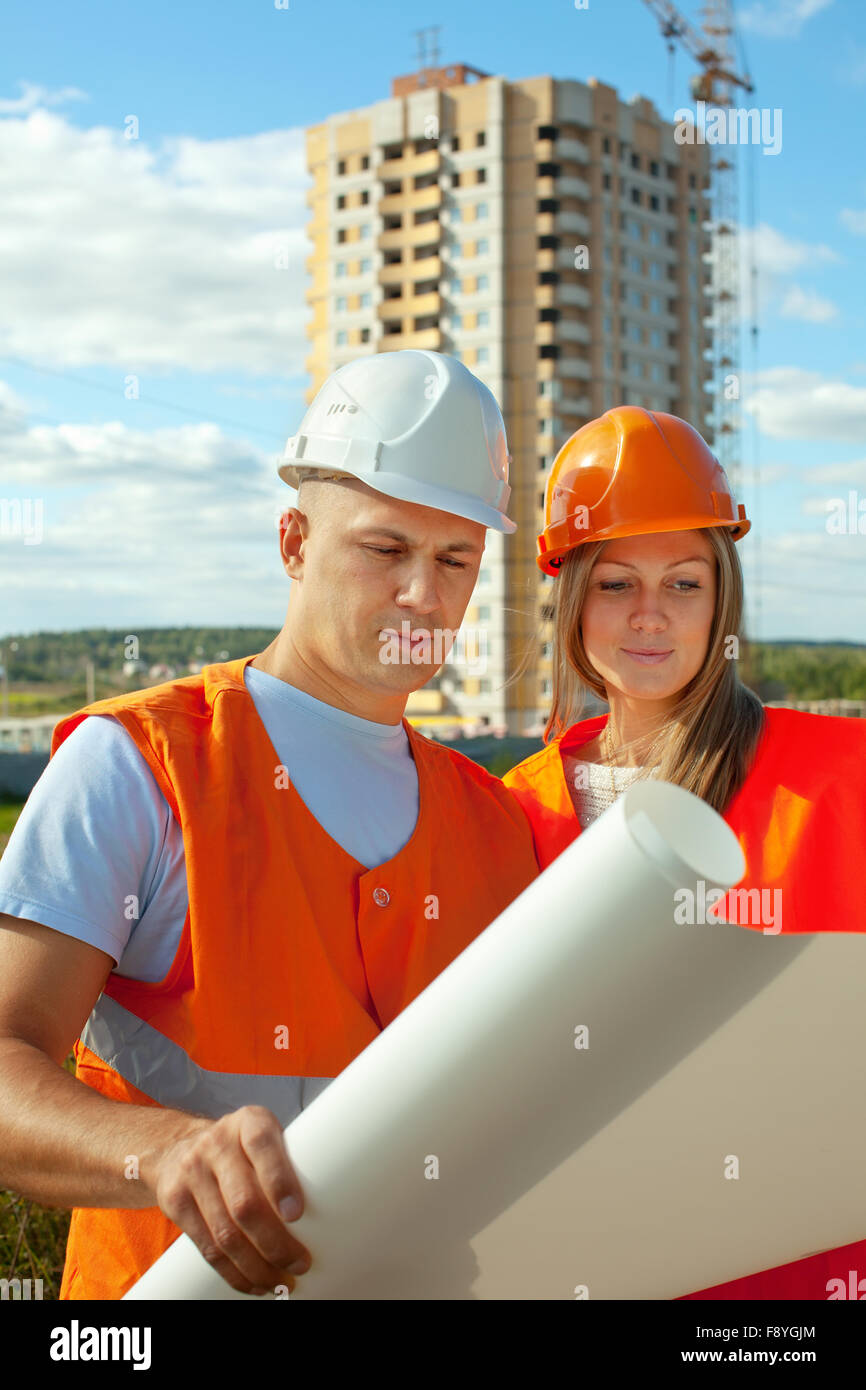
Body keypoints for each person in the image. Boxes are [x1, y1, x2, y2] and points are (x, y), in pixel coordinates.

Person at [0, 349, 540, 1301]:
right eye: (384, 549)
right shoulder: (140, 765)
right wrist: (163, 1155)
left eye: (455, 560)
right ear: (294, 541)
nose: (424, 594)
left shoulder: (495, 824)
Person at [502, 403, 866, 1300]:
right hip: (587, 1254)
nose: (650, 618)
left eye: (685, 584)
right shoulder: (511, 813)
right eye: (616, 584)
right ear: (573, 596)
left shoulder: (839, 777)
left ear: (723, 597)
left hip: (792, 1279)